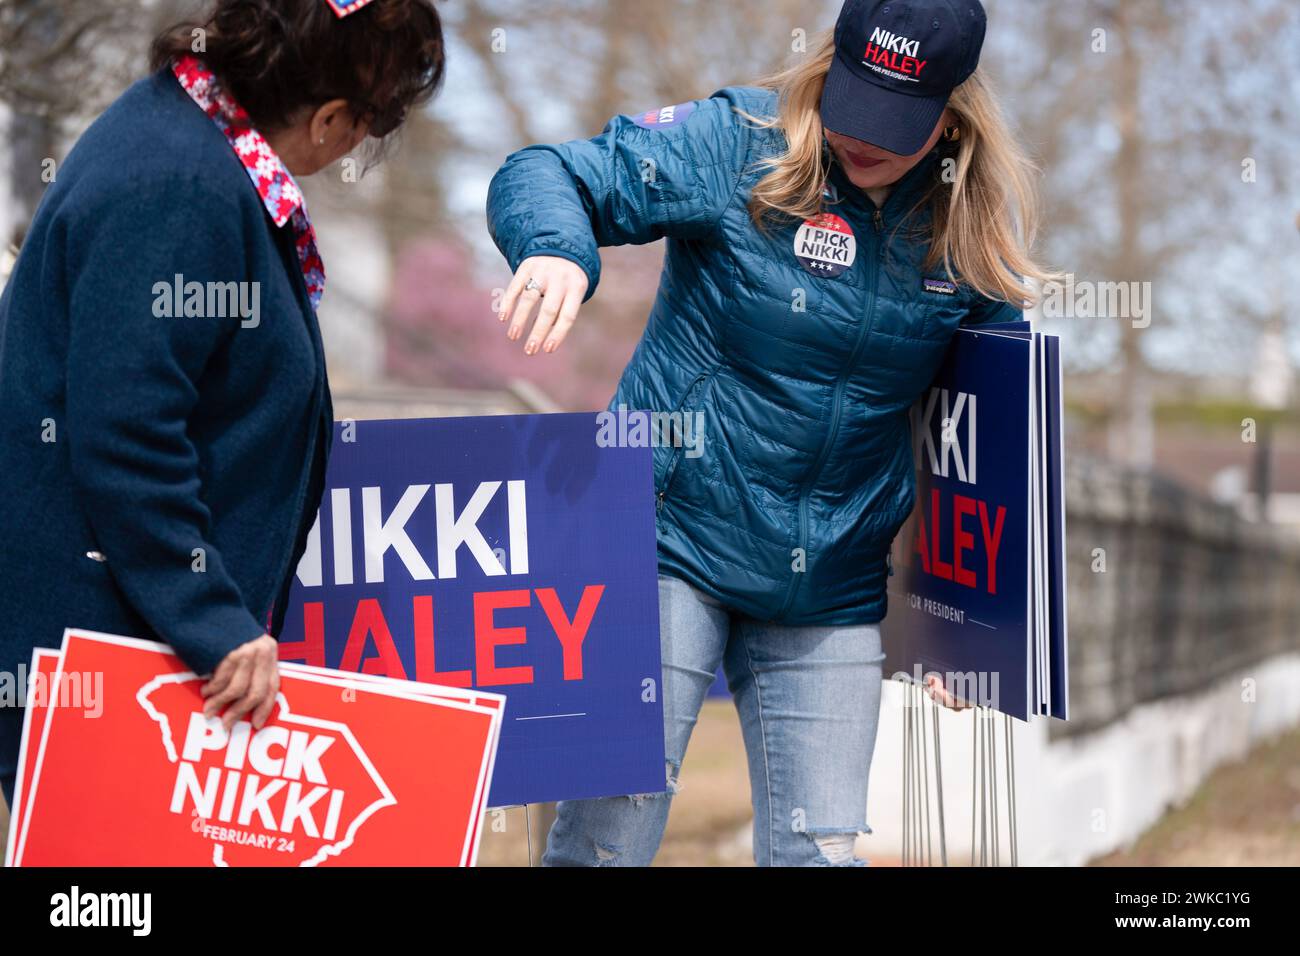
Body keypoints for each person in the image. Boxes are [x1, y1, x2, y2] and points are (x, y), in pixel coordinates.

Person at [487, 0, 1054, 866]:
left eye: (895, 125)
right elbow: (546, 171)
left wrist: (971, 628)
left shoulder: (959, 234)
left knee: (821, 853)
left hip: (831, 583)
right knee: (607, 841)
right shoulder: (735, 142)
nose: (861, 140)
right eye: (851, 103)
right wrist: (558, 246)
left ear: (949, 116)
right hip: (667, 540)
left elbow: (992, 435)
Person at [0, 0, 445, 808]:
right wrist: (214, 621)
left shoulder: (188, 144)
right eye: (373, 127)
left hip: (123, 642)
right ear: (334, 119)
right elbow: (126, 435)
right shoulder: (177, 184)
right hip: (95, 656)